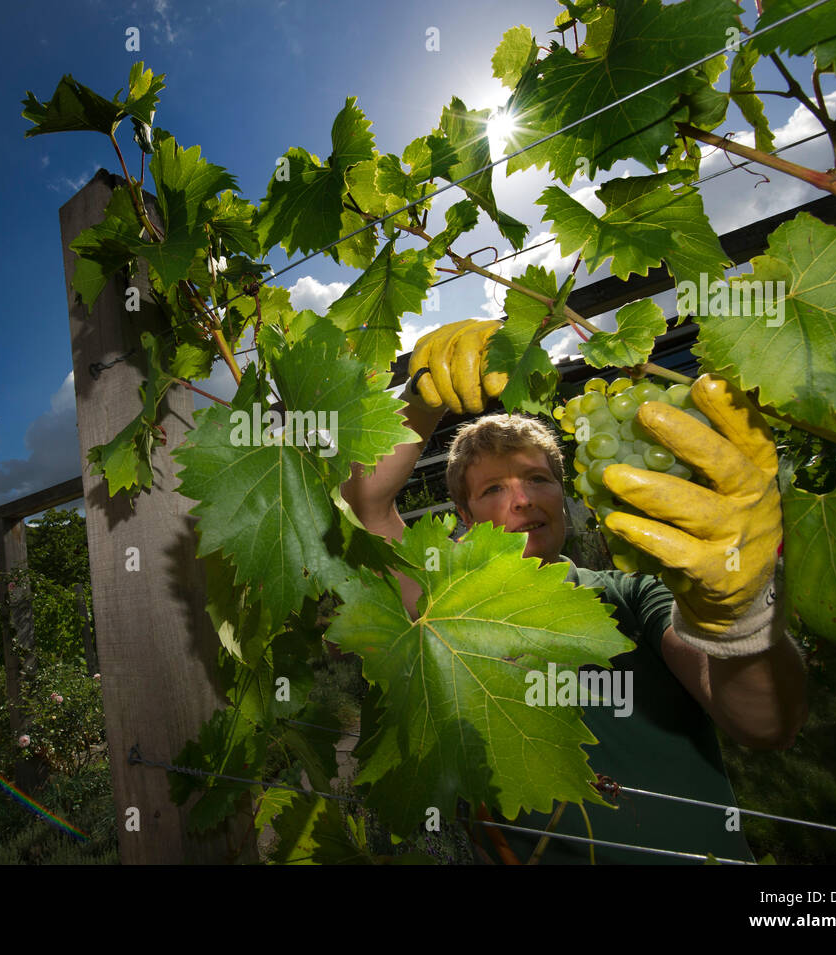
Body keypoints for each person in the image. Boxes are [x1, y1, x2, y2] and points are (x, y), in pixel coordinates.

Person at [339, 319, 808, 864]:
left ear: (563, 496)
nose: (524, 501)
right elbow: (365, 504)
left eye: (538, 480)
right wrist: (424, 395)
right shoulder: (441, 600)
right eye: (494, 488)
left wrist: (741, 616)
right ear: (464, 515)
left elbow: (767, 724)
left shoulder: (634, 597)